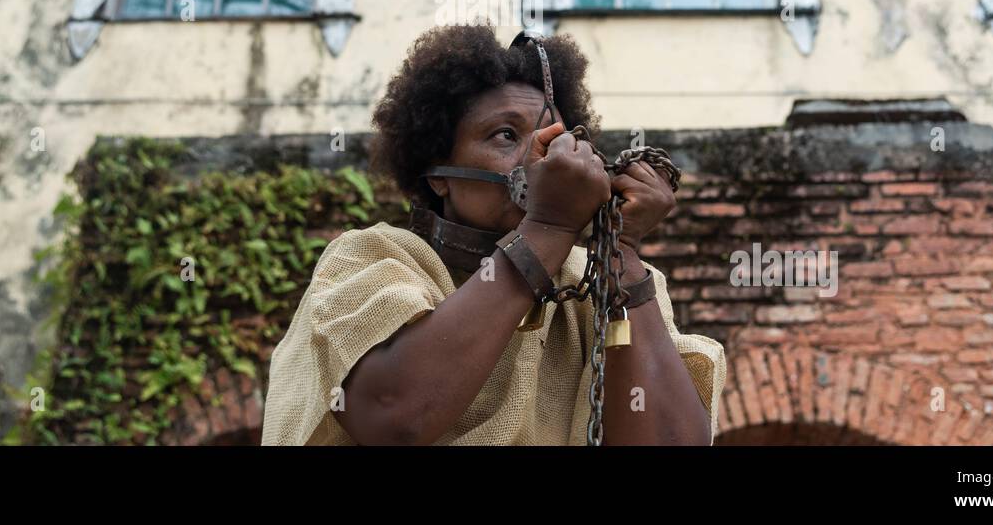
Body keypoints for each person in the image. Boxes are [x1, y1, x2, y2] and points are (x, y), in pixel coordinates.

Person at [260, 24, 726, 445]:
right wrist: (548, 228)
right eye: (505, 135)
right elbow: (393, 416)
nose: (544, 155)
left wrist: (619, 252)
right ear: (437, 173)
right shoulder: (371, 259)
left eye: (557, 136)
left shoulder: (608, 283)